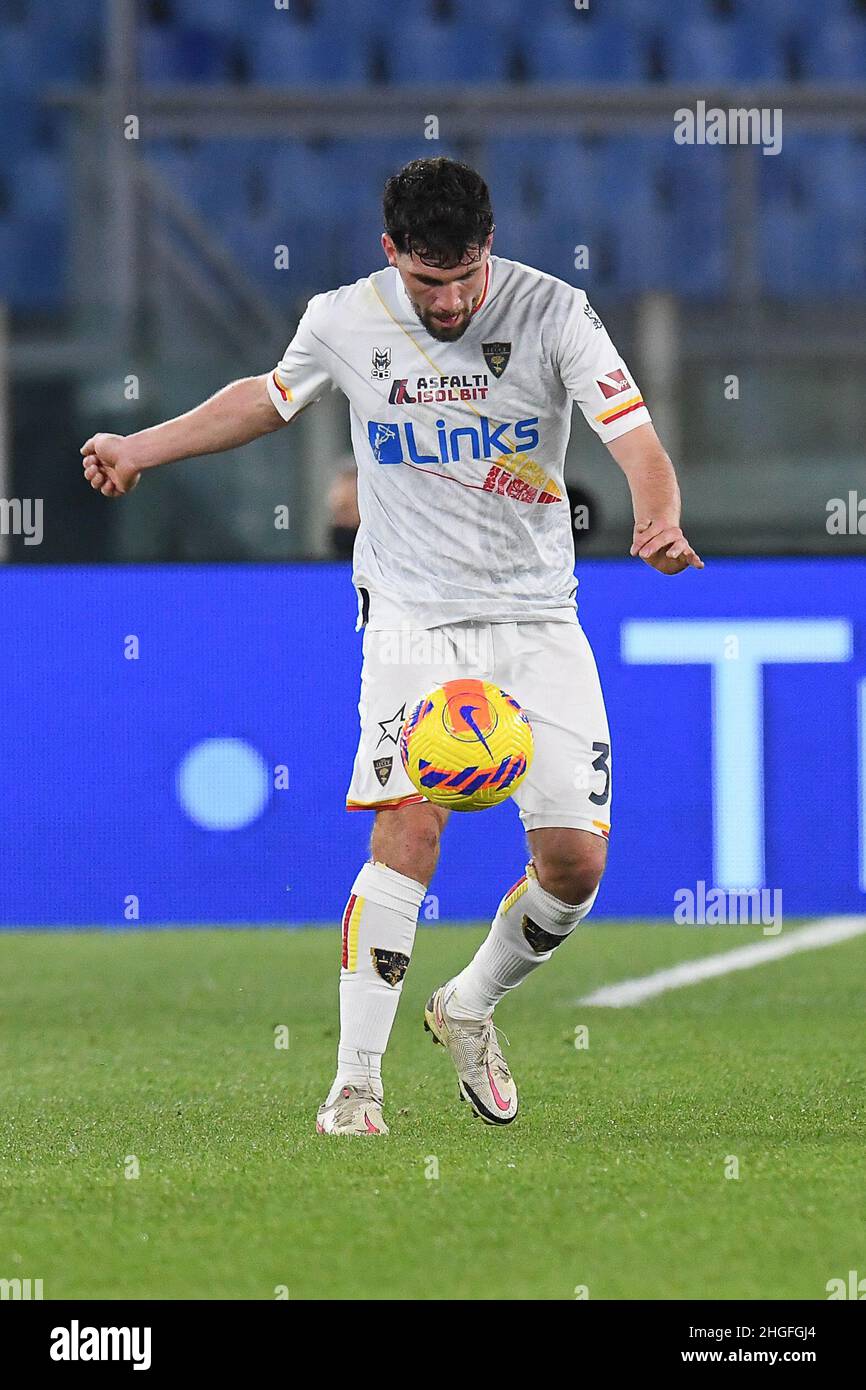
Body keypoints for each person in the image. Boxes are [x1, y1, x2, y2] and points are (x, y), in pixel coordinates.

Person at [81, 157, 702, 1136]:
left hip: (537, 617)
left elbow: (630, 435)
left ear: (487, 248)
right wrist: (139, 448)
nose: (448, 300)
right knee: (407, 825)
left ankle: (467, 1005)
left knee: (575, 867)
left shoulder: (553, 312)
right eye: (427, 281)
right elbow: (265, 399)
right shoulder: (344, 318)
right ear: (390, 255)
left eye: (464, 276)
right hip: (411, 616)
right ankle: (354, 1084)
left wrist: (655, 516)